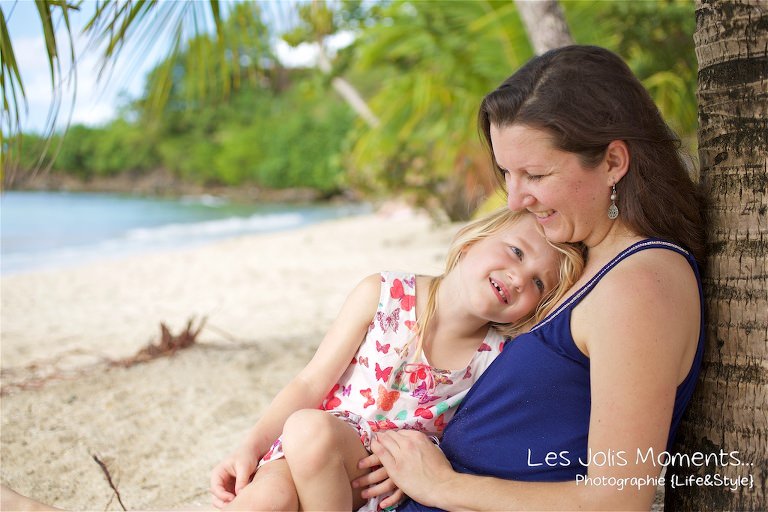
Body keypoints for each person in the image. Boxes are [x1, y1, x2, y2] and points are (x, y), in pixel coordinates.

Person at [353, 45, 707, 511]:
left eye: (535, 174)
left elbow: (618, 500)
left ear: (613, 163)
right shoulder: (576, 259)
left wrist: (441, 485)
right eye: (507, 172)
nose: (516, 198)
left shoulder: (640, 286)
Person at [209, 208, 585, 511]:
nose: (519, 277)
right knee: (267, 497)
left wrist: (418, 465)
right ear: (473, 241)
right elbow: (310, 383)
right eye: (517, 252)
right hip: (304, 450)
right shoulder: (384, 293)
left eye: (538, 283)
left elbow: (464, 435)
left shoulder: (497, 354)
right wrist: (249, 446)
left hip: (371, 476)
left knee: (308, 432)